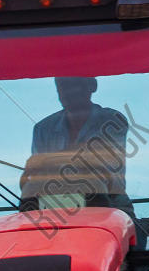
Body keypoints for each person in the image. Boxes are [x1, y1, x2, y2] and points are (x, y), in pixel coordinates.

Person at [19, 76, 129, 207]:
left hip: (109, 203)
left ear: (93, 85)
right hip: (52, 205)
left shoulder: (113, 120)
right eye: (62, 86)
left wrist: (44, 161)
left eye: (74, 85)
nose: (67, 92)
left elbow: (100, 160)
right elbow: (36, 172)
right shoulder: (42, 128)